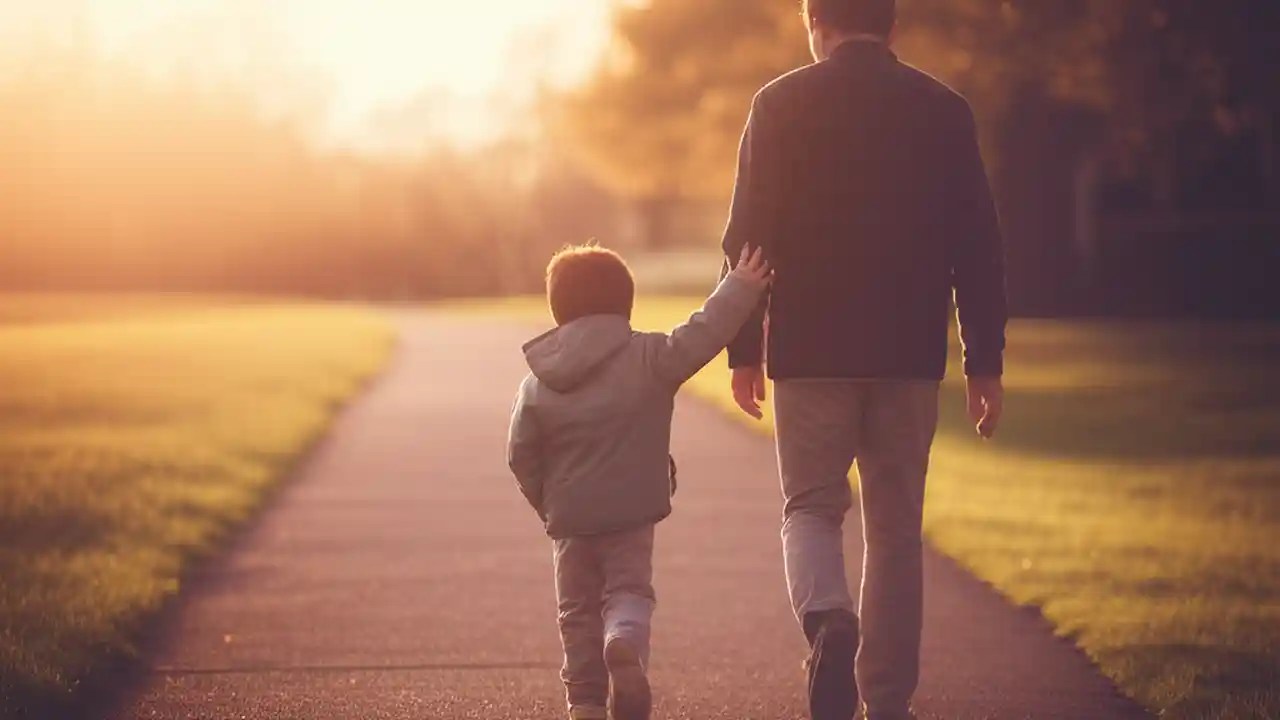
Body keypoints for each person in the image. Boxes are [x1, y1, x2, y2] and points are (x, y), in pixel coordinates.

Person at [719, 0, 1008, 718]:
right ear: (894, 25)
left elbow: (747, 240)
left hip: (809, 349)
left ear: (814, 24)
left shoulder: (778, 103)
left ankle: (828, 620)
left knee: (811, 508)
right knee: (895, 527)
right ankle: (885, 701)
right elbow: (978, 244)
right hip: (908, 352)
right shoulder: (943, 110)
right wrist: (984, 359)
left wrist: (742, 346)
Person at [507, 243, 772, 720]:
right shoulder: (649, 357)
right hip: (631, 512)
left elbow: (520, 453)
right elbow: (702, 333)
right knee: (628, 590)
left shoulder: (539, 383)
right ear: (624, 304)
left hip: (569, 519)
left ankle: (585, 704)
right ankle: (625, 638)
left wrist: (547, 502)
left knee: (576, 614)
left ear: (557, 307)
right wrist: (740, 287)